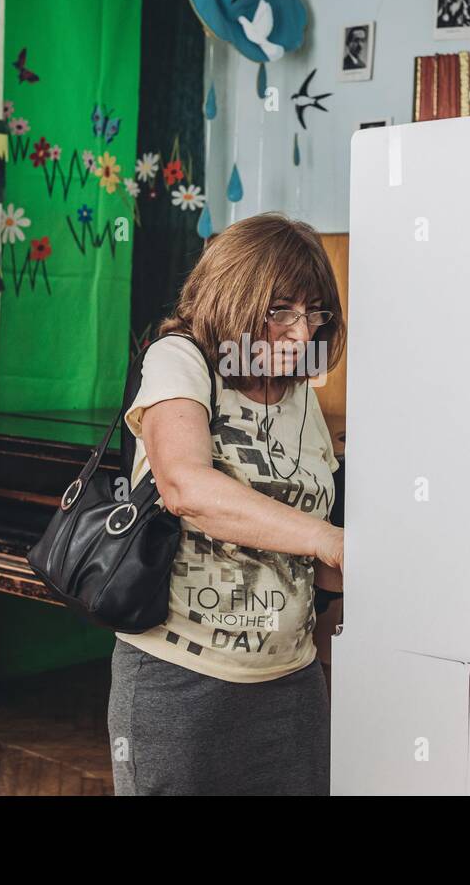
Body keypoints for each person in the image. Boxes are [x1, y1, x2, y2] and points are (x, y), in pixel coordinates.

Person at [106, 212, 347, 795]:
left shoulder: (300, 395)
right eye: (281, 310)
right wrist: (329, 541)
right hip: (182, 682)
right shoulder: (180, 360)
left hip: (291, 683)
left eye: (314, 313)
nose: (301, 332)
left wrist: (328, 646)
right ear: (235, 295)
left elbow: (318, 515)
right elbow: (187, 487)